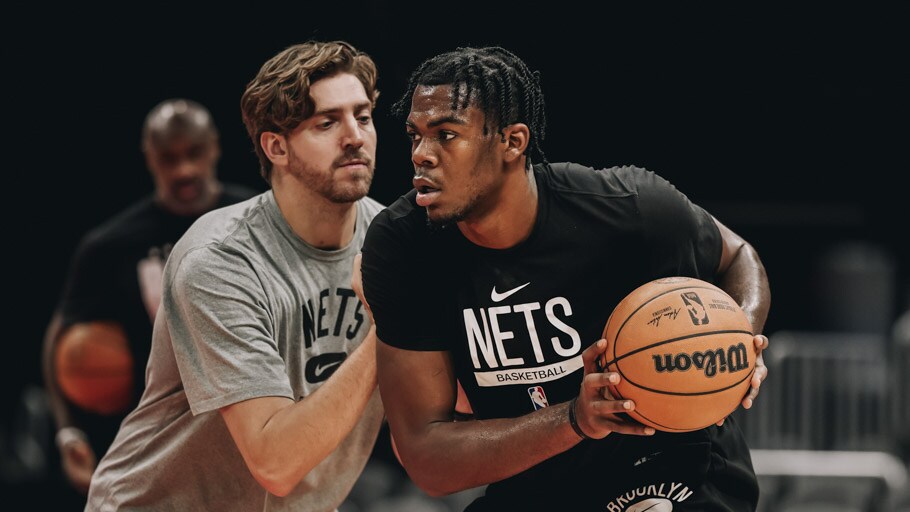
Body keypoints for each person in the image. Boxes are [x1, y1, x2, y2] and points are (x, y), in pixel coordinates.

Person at [359, 46, 771, 511]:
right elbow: (426, 459)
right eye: (415, 136)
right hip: (540, 480)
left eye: (446, 136)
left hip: (669, 462)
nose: (421, 155)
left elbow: (738, 254)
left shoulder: (630, 209)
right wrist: (575, 419)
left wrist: (742, 334)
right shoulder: (403, 247)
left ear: (512, 142)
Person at [85, 40, 385, 510]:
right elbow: (276, 462)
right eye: (327, 122)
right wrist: (388, 325)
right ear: (276, 147)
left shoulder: (393, 243)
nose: (355, 137)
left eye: (362, 116)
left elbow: (452, 405)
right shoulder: (218, 261)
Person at [42, 98, 258, 499]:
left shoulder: (257, 219)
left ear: (214, 146)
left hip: (246, 426)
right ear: (149, 158)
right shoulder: (109, 245)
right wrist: (67, 430)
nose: (184, 170)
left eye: (194, 153)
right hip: (152, 441)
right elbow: (60, 336)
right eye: (168, 158)